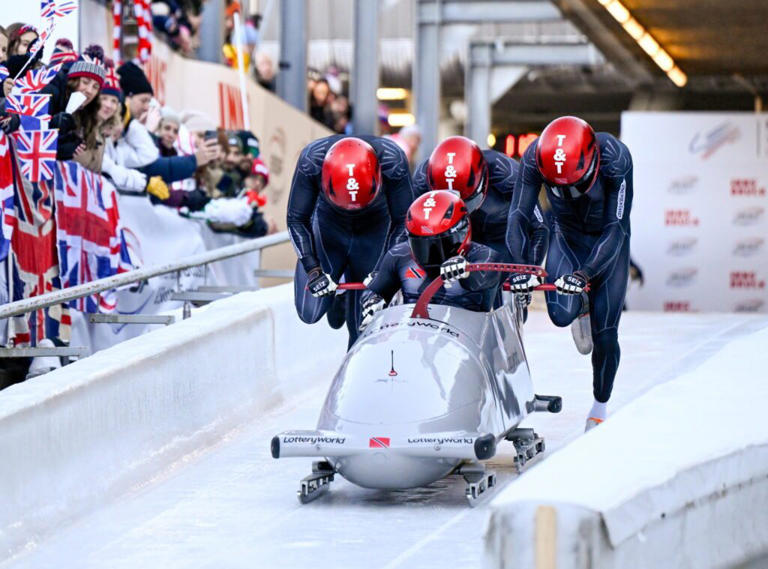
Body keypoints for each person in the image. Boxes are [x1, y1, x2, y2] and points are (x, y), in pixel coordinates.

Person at [506, 116, 633, 431]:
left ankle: (599, 406)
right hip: (567, 238)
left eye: (577, 184)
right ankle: (580, 310)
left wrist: (586, 274)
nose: (571, 191)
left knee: (605, 336)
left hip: (607, 243)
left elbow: (616, 227)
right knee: (560, 315)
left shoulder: (616, 158)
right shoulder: (535, 157)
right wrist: (523, 268)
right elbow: (518, 215)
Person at [287, 135, 413, 347]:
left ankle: (348, 294)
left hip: (374, 228)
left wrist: (385, 271)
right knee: (309, 312)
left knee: (366, 326)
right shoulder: (312, 160)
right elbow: (296, 219)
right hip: (330, 228)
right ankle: (341, 294)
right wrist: (313, 269)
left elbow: (404, 221)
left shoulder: (393, 161)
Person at [360, 190, 503, 329]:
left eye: (442, 244)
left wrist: (466, 270)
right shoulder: (399, 255)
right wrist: (372, 301)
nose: (432, 254)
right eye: (421, 245)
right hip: (412, 336)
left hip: (467, 341)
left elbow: (484, 276)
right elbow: (375, 289)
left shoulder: (484, 256)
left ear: (463, 231)